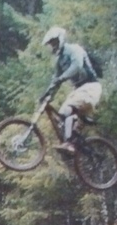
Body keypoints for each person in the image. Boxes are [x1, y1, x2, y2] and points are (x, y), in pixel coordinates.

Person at [39, 26, 102, 154]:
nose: (53, 46)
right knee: (62, 115)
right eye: (51, 44)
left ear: (60, 39)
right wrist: (47, 95)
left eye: (54, 42)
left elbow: (77, 66)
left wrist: (61, 78)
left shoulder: (74, 49)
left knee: (67, 110)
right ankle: (79, 147)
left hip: (91, 87)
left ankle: (68, 143)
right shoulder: (59, 61)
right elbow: (55, 81)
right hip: (79, 90)